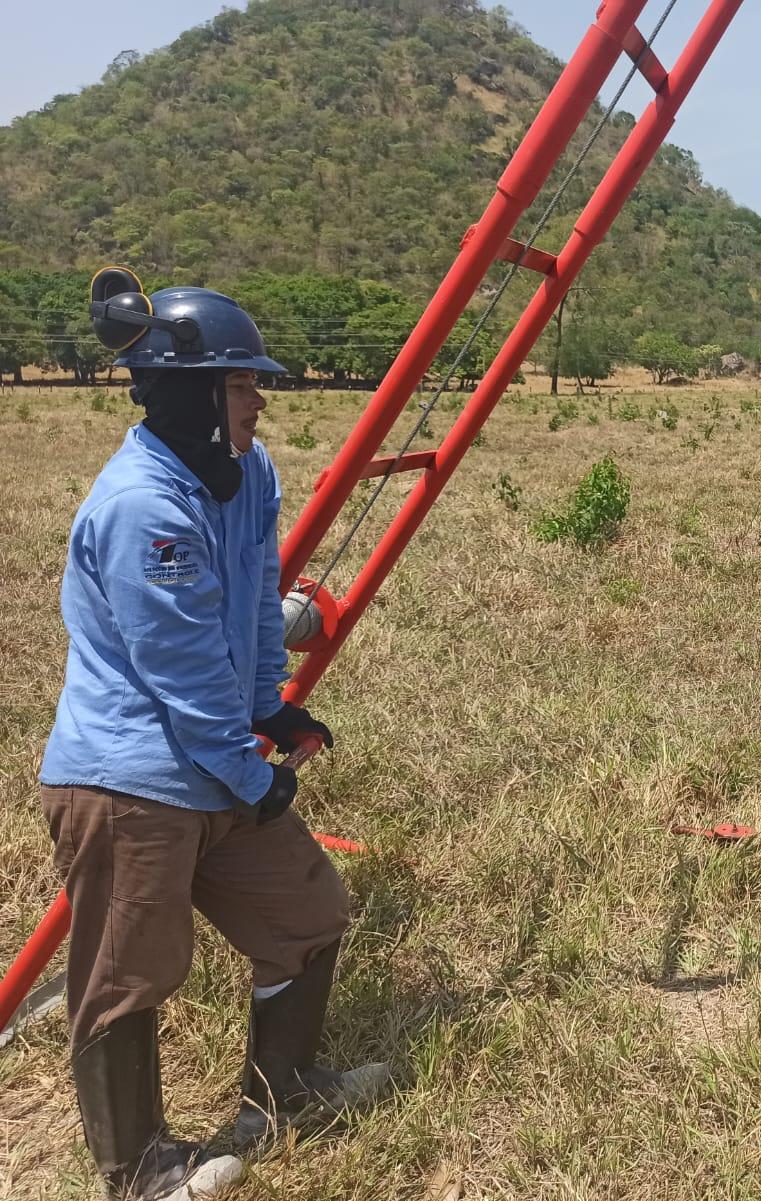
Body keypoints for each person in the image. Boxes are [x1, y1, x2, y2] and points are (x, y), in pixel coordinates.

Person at [37, 269, 387, 1200]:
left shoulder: (248, 473)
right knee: (129, 975)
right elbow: (180, 670)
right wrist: (253, 768)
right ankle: (140, 1169)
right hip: (132, 780)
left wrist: (271, 702)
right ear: (189, 391)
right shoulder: (142, 508)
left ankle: (285, 1093)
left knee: (307, 915)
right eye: (241, 382)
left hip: (217, 759)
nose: (259, 396)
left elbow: (255, 603)